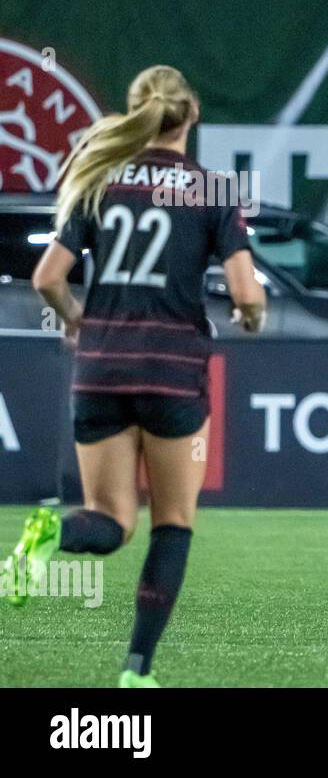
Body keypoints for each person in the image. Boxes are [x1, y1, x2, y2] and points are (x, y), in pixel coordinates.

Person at [0, 66, 266, 686]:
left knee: (109, 520)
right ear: (191, 116)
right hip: (173, 370)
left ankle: (47, 533)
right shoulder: (210, 190)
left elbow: (47, 278)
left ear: (136, 111)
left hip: (99, 367)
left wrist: (75, 321)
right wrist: (250, 316)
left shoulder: (101, 180)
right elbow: (246, 291)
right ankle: (137, 671)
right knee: (170, 523)